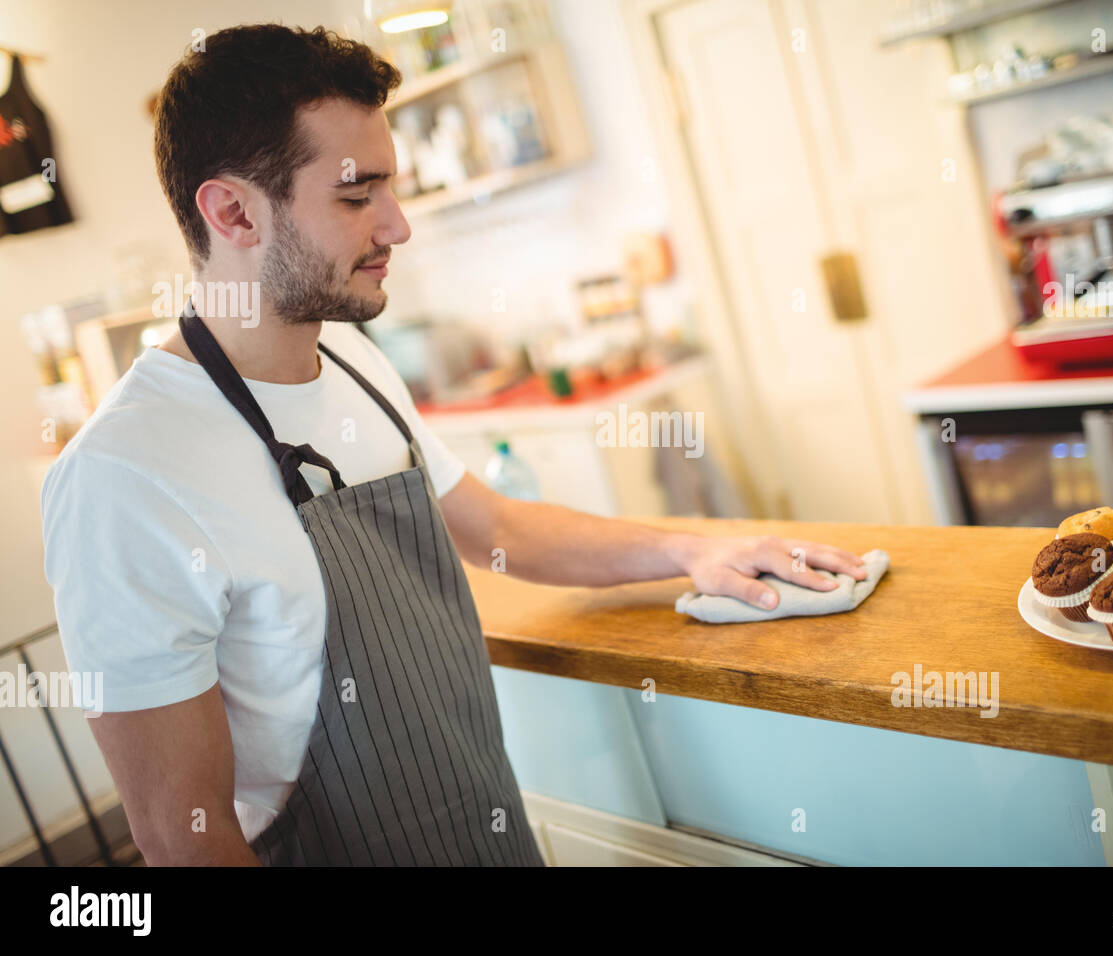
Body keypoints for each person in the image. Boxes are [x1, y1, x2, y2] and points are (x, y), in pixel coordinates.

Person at [39, 23, 868, 866]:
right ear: (233, 212)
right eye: (358, 196)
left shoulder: (354, 362)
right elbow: (185, 834)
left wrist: (693, 548)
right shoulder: (124, 477)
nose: (397, 227)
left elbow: (499, 532)